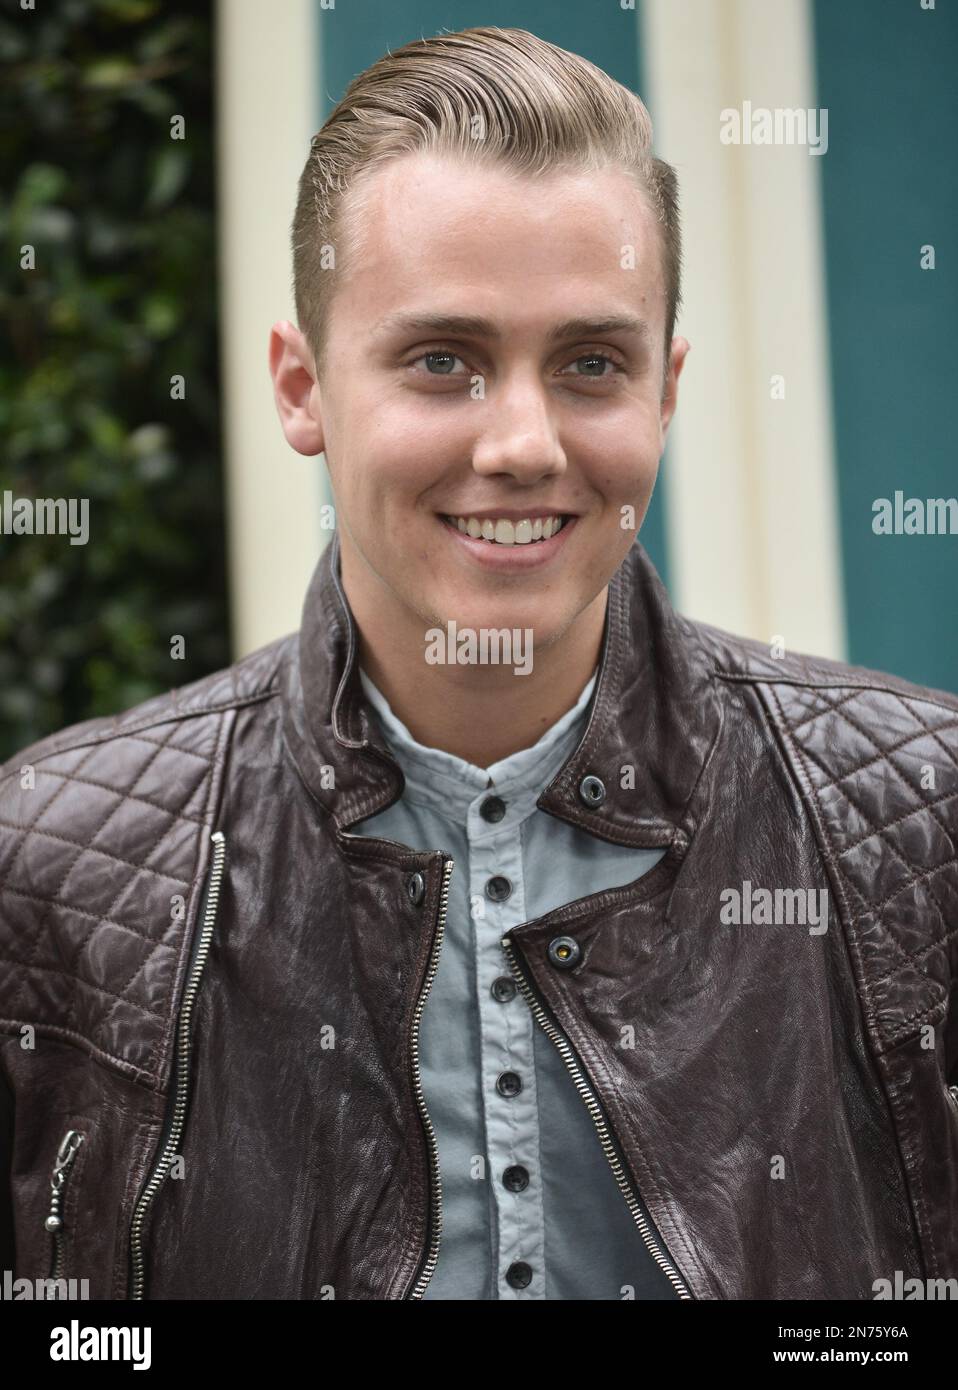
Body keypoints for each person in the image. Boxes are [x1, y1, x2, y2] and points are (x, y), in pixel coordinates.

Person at [1, 26, 956, 1302]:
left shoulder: (924, 816)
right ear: (302, 388)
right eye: (442, 360)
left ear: (666, 393)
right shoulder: (50, 866)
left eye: (590, 365)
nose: (521, 443)